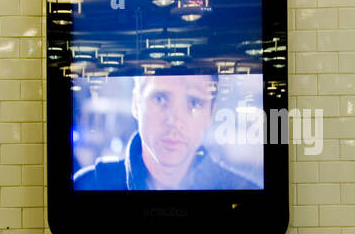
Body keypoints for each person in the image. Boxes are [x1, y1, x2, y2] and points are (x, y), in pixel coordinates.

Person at [73, 74, 260, 191]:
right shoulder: (89, 186)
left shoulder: (244, 192)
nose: (174, 121)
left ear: (211, 113)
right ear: (136, 103)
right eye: (160, 98)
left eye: (194, 103)